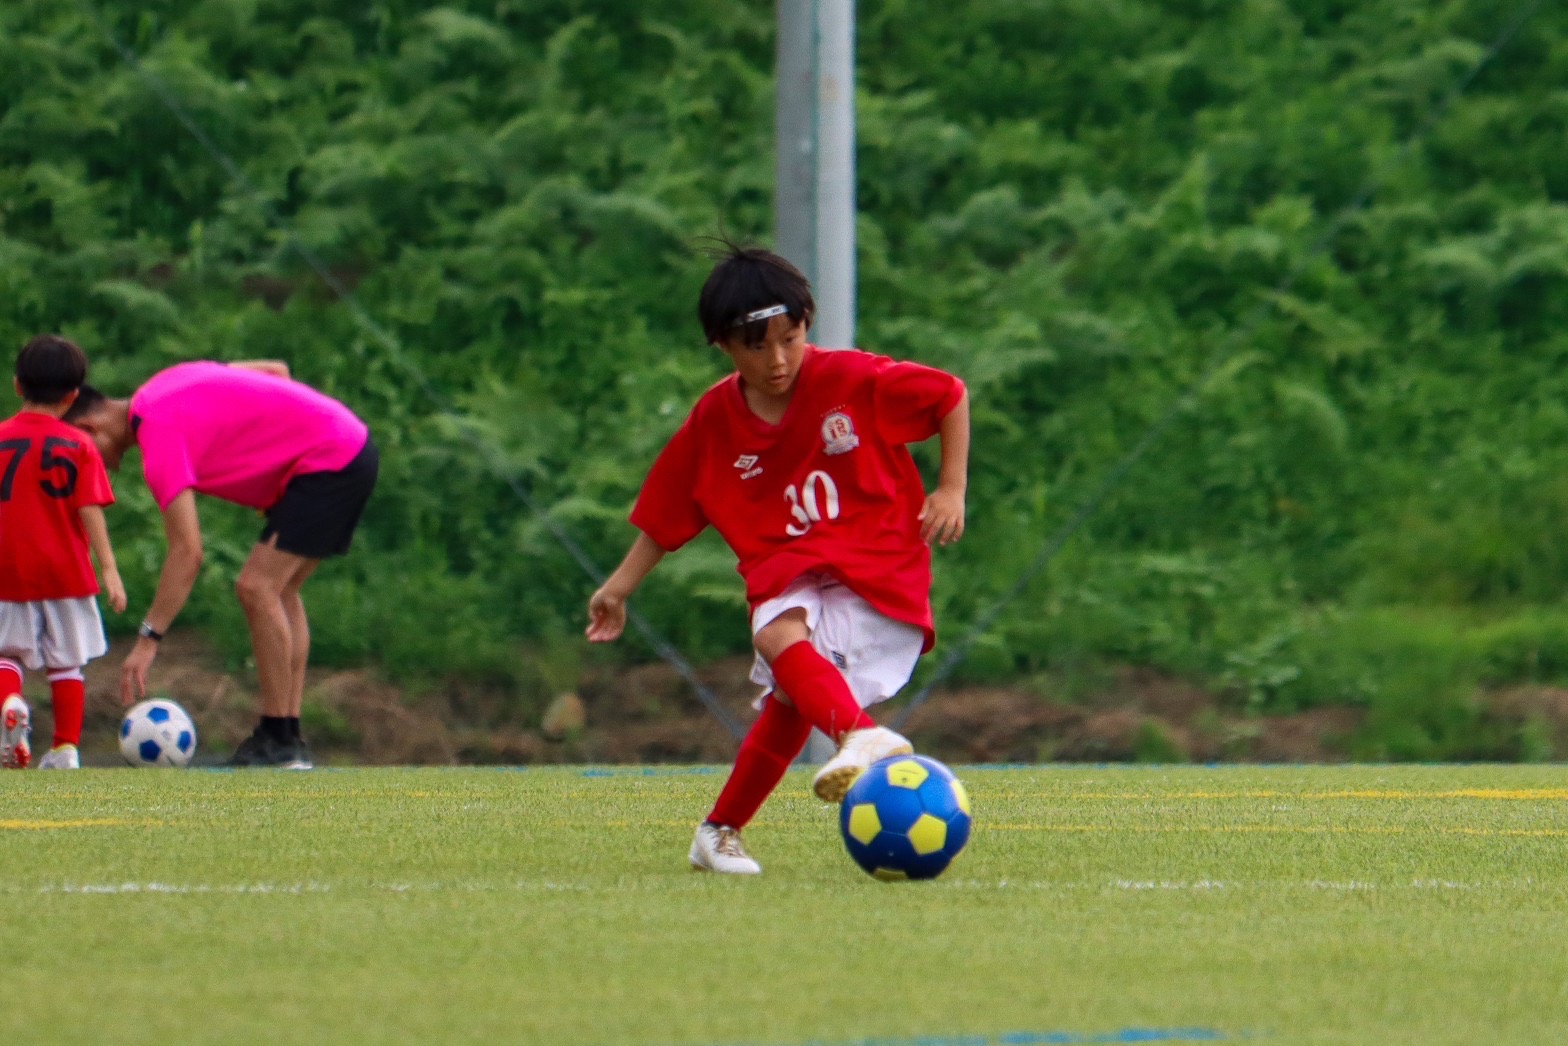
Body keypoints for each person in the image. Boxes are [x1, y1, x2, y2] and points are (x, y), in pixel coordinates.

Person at [586, 243, 970, 874]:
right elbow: (669, 510)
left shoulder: (852, 380)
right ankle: (856, 737)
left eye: (790, 339)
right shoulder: (715, 419)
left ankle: (721, 830)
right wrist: (619, 587)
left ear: (806, 326)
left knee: (791, 700)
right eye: (757, 347)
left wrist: (951, 489)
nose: (778, 360)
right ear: (723, 345)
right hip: (786, 568)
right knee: (776, 631)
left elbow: (949, 395)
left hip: (875, 565)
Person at [64, 360, 378, 769]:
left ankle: (279, 739)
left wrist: (148, 639)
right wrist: (279, 444)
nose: (93, 467)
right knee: (281, 591)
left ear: (89, 429)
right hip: (346, 445)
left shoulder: (158, 437)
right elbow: (275, 372)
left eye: (81, 456)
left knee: (257, 588)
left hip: (329, 461)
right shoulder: (162, 385)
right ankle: (286, 737)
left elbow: (187, 553)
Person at [0, 335, 127, 770]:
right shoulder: (79, 444)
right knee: (67, 661)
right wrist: (109, 568)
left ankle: (10, 706)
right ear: (73, 396)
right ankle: (65, 748)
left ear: (18, 385)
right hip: (66, 570)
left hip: (8, 568)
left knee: (5, 654)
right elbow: (89, 508)